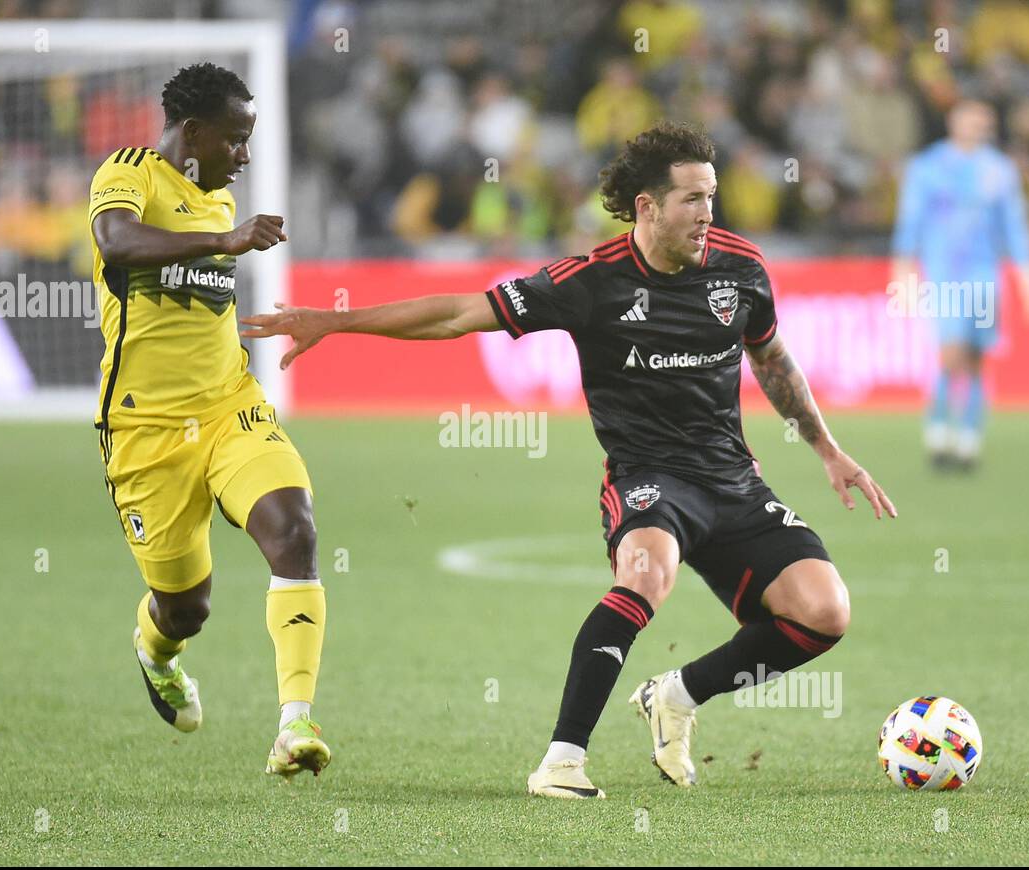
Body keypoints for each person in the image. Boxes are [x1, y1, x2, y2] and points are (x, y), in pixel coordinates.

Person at [242, 122, 896, 797]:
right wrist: (337, 321)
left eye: (712, 197)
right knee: (646, 575)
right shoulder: (591, 282)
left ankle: (677, 695)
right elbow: (458, 314)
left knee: (825, 611)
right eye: (691, 200)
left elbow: (772, 358)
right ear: (646, 206)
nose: (707, 215)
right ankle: (562, 759)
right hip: (648, 480)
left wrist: (827, 448)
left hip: (733, 480)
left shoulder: (740, 268)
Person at [89, 63, 330, 777]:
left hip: (230, 407)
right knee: (185, 607)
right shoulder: (128, 171)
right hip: (146, 431)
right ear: (192, 132)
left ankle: (295, 725)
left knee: (295, 529)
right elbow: (117, 243)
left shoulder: (218, 202)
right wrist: (223, 245)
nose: (245, 156)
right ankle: (154, 648)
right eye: (235, 139)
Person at [892, 99, 1029, 470]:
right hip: (944, 274)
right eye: (969, 119)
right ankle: (939, 431)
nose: (975, 126)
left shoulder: (999, 170)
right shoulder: (926, 167)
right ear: (953, 122)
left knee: (977, 357)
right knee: (951, 353)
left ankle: (968, 439)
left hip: (984, 275)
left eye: (982, 121)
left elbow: (1013, 226)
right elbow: (910, 221)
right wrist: (901, 267)